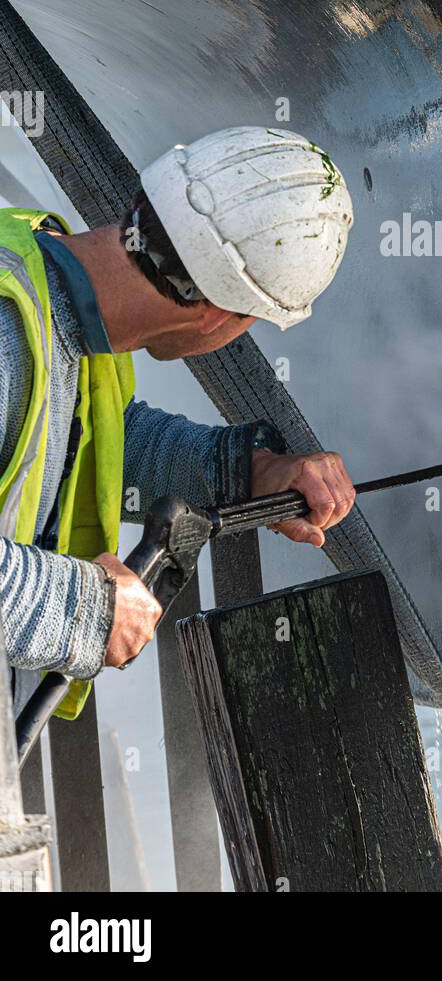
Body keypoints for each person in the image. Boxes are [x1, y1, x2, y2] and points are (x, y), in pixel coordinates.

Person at [0, 126, 355, 717]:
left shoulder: (47, 289)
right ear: (221, 317)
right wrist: (75, 609)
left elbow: (85, 436)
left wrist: (249, 472)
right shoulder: (8, 332)